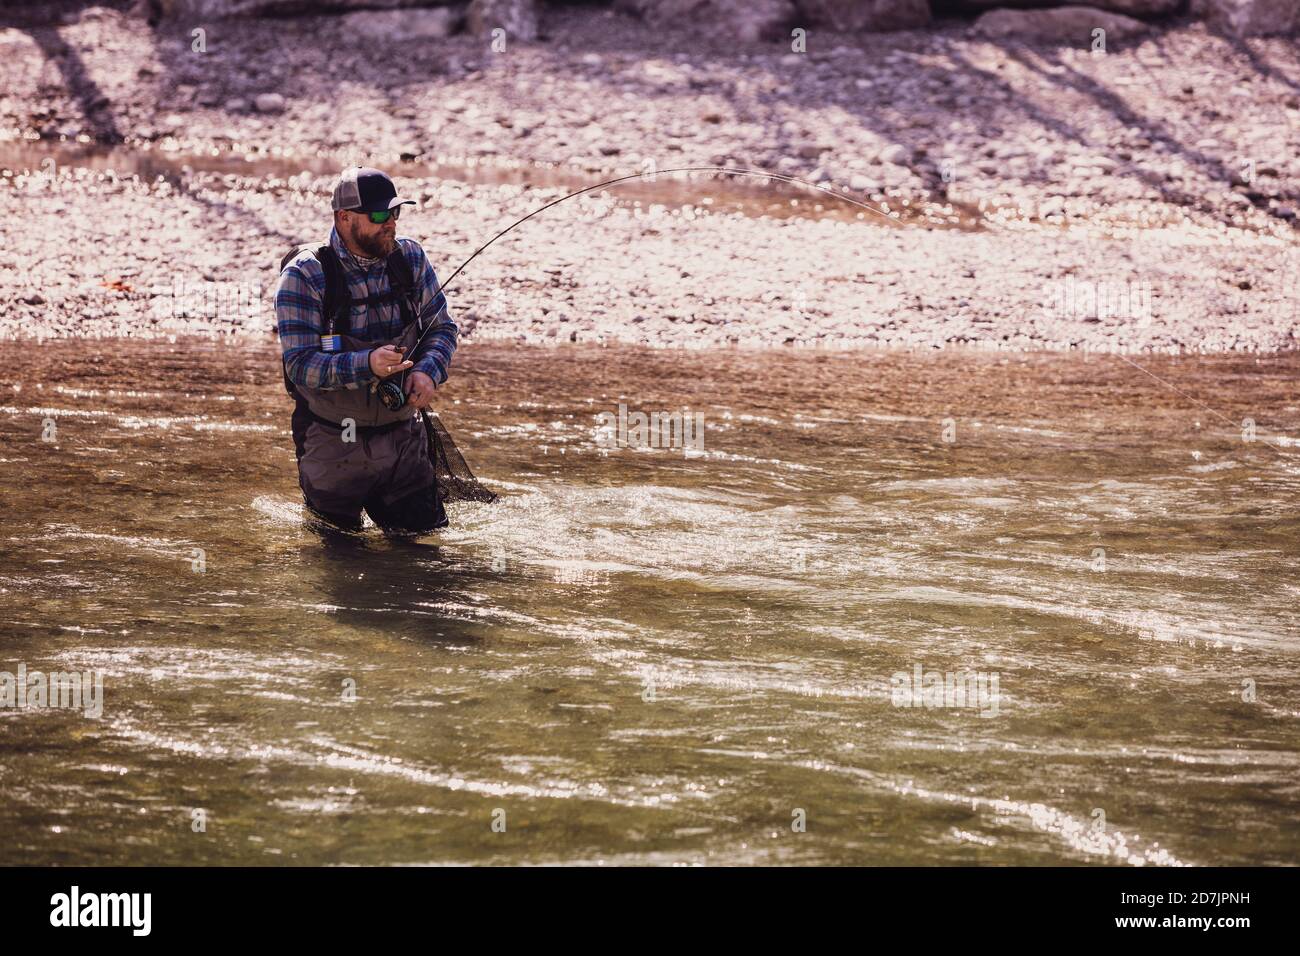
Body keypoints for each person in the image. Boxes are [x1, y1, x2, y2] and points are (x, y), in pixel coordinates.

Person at [275, 166, 458, 535]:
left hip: (403, 443)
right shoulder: (305, 274)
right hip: (332, 445)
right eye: (378, 215)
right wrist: (368, 364)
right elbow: (300, 366)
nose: (389, 222)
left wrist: (427, 371)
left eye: (394, 212)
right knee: (341, 569)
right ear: (344, 218)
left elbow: (442, 329)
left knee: (426, 557)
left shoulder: (410, 258)